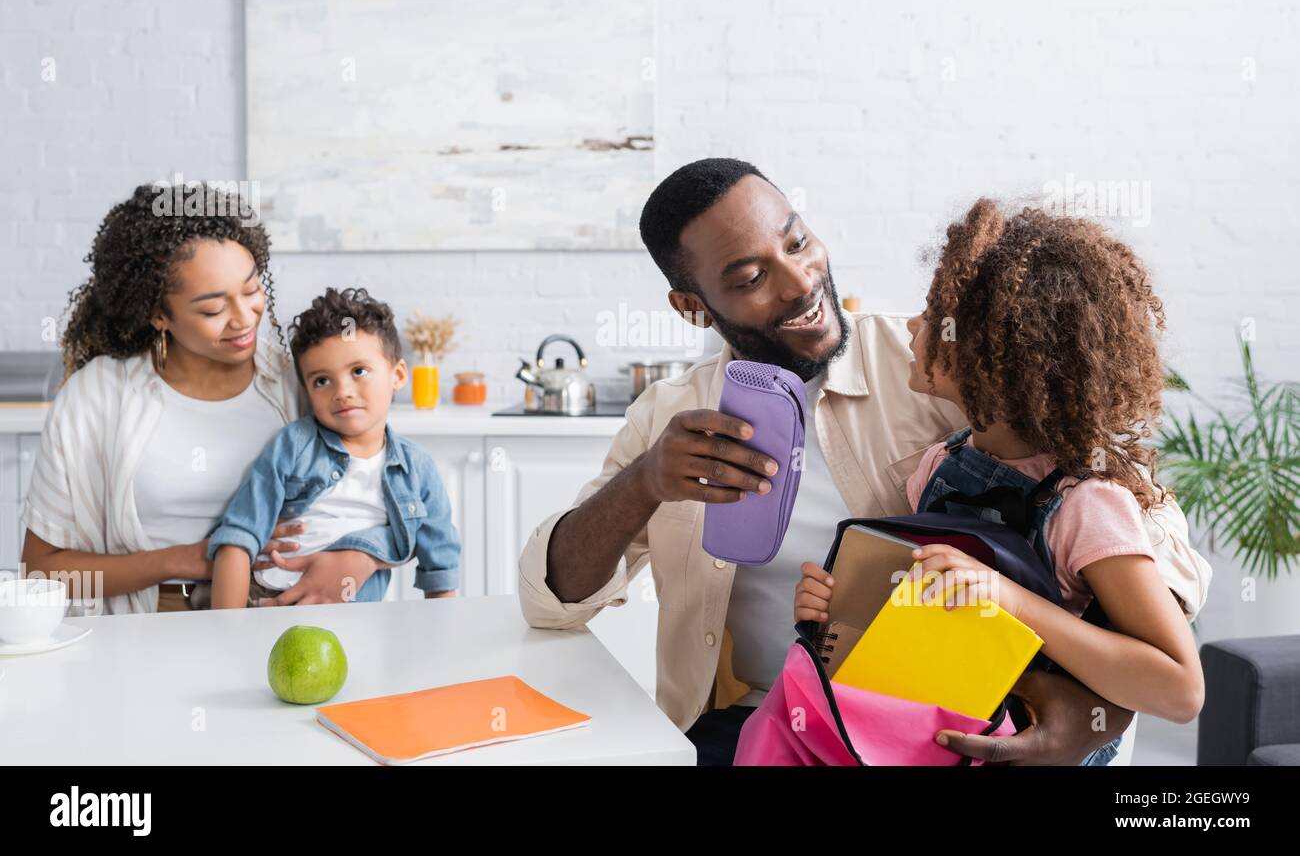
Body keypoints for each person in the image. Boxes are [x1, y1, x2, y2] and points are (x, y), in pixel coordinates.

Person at [519, 158, 1211, 765]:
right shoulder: (666, 421)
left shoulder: (936, 370)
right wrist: (644, 484)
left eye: (797, 241)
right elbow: (551, 600)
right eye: (754, 275)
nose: (800, 282)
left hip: (915, 719)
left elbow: (1133, 528)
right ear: (693, 306)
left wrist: (1093, 710)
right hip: (750, 724)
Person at [795, 199, 1204, 765]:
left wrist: (1009, 599)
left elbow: (1181, 691)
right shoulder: (939, 464)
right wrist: (841, 610)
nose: (913, 326)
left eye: (936, 318)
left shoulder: (1087, 505)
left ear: (995, 362)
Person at [20, 183, 396, 614]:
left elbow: (397, 489)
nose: (243, 319)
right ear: (159, 314)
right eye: (213, 310)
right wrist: (186, 559)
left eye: (252, 289)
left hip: (283, 625)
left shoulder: (303, 380)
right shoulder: (96, 398)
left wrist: (359, 559)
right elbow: (41, 572)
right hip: (146, 633)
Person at [207, 287, 460, 607]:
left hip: (356, 612)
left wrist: (442, 630)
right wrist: (227, 630)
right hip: (269, 602)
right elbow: (239, 536)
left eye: (359, 371)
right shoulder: (294, 445)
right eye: (322, 380)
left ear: (397, 375)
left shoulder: (417, 468)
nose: (342, 391)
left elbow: (441, 563)